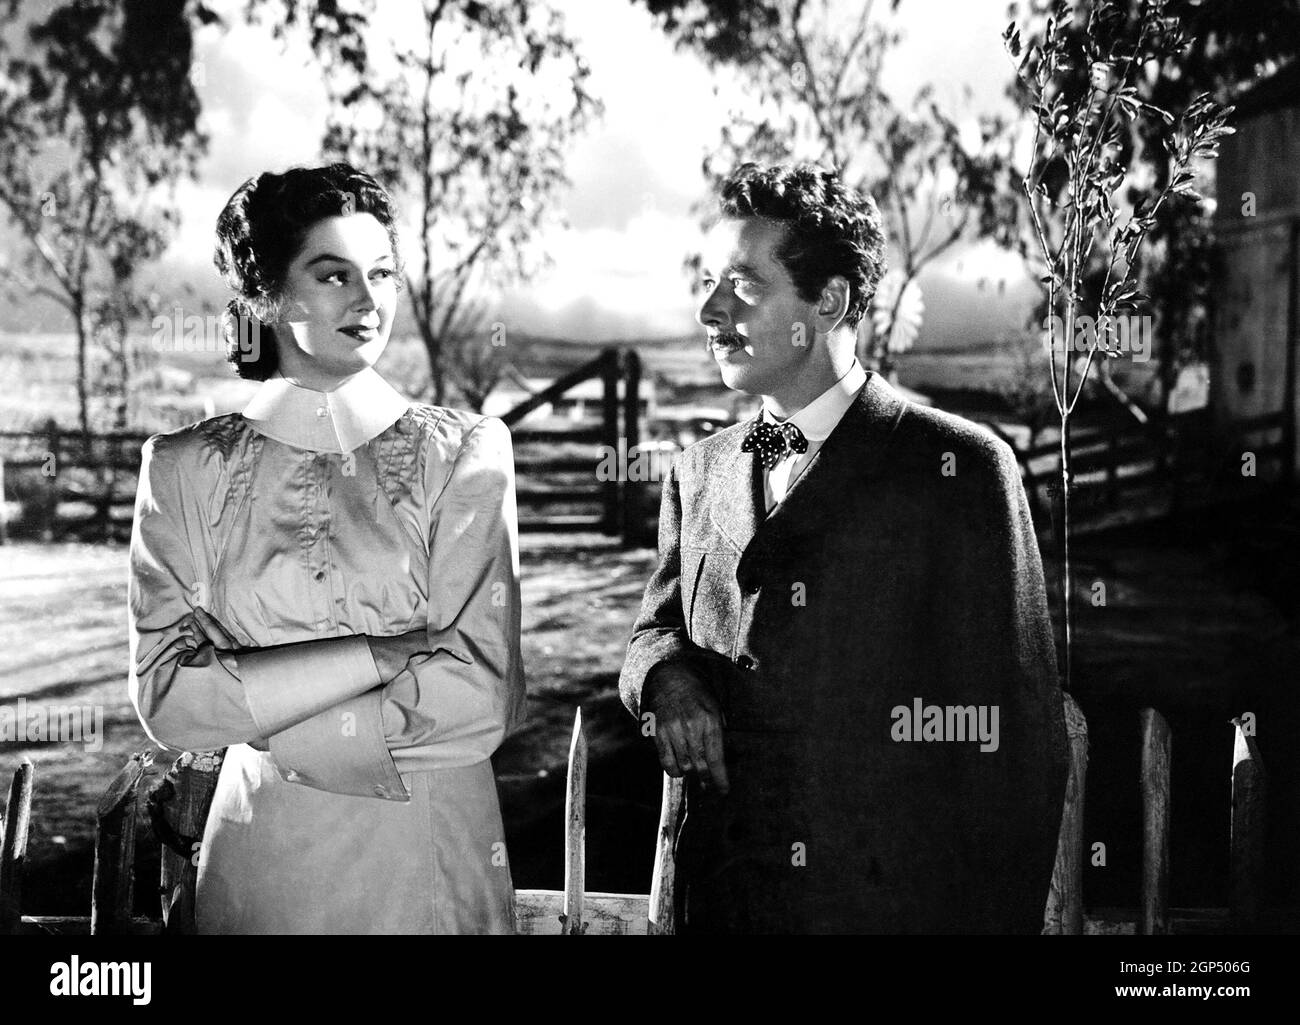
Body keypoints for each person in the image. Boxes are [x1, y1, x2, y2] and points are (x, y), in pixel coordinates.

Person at [619, 162, 1069, 934]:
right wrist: (666, 680)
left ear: (827, 301)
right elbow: (652, 631)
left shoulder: (956, 471)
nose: (709, 308)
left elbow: (1014, 757)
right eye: (709, 281)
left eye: (743, 285)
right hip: (721, 908)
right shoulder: (696, 474)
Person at [127, 163, 526, 934]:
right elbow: (169, 701)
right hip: (259, 859)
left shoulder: (468, 453)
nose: (367, 299)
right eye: (333, 273)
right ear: (266, 295)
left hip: (426, 860)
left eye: (381, 272)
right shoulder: (181, 469)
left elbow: (479, 699)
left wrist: (252, 705)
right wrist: (380, 655)